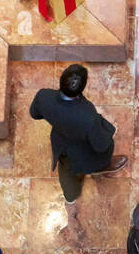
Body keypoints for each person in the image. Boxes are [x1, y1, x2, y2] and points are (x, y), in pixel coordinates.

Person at [29, 64, 127, 236]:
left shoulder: (43, 96)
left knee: (67, 174)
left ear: (60, 81)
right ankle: (101, 168)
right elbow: (101, 145)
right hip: (82, 151)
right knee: (93, 161)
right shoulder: (87, 113)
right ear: (82, 88)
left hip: (61, 144)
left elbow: (34, 114)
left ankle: (70, 197)